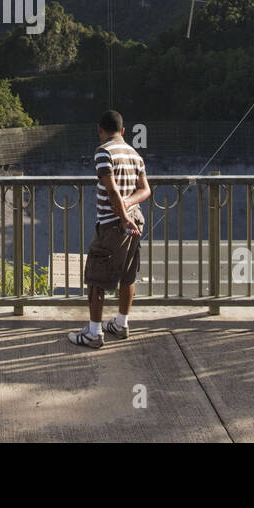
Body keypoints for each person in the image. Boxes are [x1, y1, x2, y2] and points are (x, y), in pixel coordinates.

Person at [68, 109, 150, 349]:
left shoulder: (103, 152)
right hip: (136, 218)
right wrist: (129, 204)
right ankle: (121, 324)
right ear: (123, 131)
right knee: (128, 273)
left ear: (100, 130)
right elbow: (145, 190)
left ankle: (94, 333)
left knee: (96, 277)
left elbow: (112, 189)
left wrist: (122, 215)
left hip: (113, 223)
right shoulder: (135, 154)